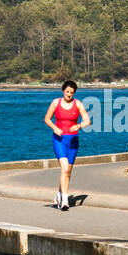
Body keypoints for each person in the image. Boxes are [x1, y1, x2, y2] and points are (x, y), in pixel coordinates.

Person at [44, 79, 91, 210]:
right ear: (63, 91)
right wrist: (54, 128)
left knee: (68, 171)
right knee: (64, 168)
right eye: (67, 92)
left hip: (73, 141)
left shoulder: (78, 104)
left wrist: (79, 125)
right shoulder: (56, 102)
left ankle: (59, 194)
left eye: (71, 92)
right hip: (59, 139)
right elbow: (47, 118)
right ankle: (65, 200)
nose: (69, 94)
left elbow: (87, 121)